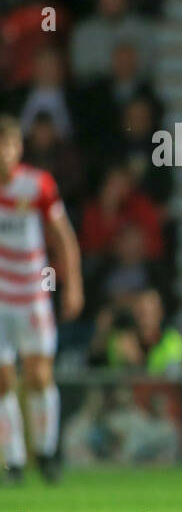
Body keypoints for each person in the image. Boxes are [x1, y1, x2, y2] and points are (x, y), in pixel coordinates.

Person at [0, 115, 84, 484]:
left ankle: (47, 453)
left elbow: (62, 235)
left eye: (9, 145)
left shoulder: (38, 185)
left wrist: (73, 284)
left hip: (33, 293)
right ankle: (15, 460)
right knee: (2, 380)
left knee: (38, 376)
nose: (4, 153)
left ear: (18, 148)